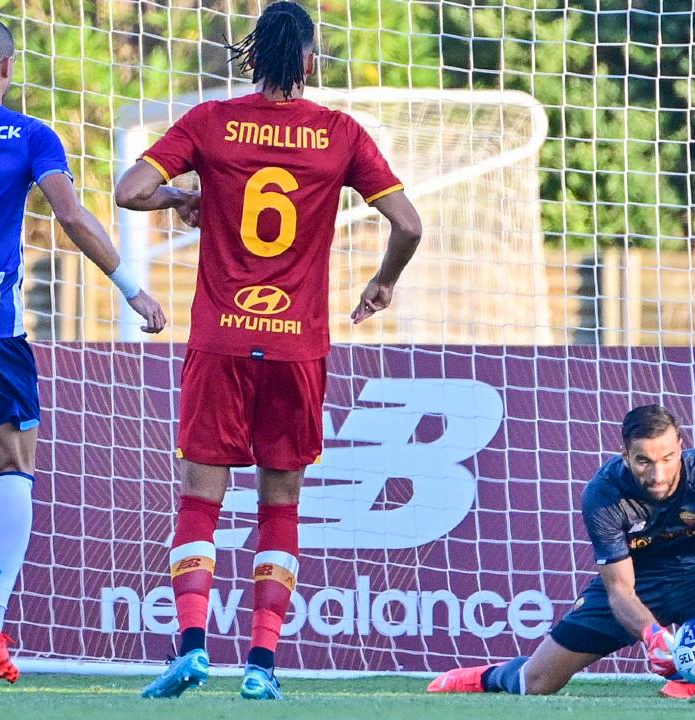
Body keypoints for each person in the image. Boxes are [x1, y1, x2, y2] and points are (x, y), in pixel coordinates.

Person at [114, 0, 421, 701]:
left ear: (254, 58)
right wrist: (383, 282)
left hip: (220, 339)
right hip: (296, 347)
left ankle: (192, 643)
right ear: (310, 60)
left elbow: (130, 189)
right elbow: (408, 222)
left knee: (201, 497)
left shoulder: (212, 123)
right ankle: (262, 664)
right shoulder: (340, 133)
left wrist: (181, 198)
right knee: (279, 503)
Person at [0, 17, 165, 683]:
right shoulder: (31, 135)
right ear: (6, 68)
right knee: (13, 468)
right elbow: (74, 218)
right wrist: (132, 289)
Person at [426, 405, 695, 700]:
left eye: (667, 458)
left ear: (681, 447)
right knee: (536, 684)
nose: (657, 474)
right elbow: (621, 591)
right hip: (639, 587)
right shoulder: (603, 495)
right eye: (643, 461)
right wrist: (652, 635)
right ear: (625, 456)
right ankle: (486, 676)